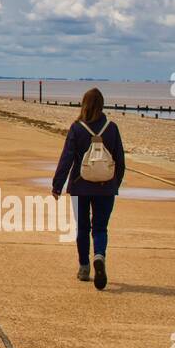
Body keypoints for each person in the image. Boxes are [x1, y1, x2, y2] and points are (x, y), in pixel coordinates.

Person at [52, 87, 125, 290]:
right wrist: (114, 184)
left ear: (83, 104)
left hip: (80, 187)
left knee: (82, 228)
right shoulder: (112, 128)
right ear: (101, 105)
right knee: (100, 227)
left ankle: (84, 267)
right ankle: (99, 255)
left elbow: (67, 158)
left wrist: (57, 185)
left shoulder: (77, 128)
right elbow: (120, 160)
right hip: (105, 188)